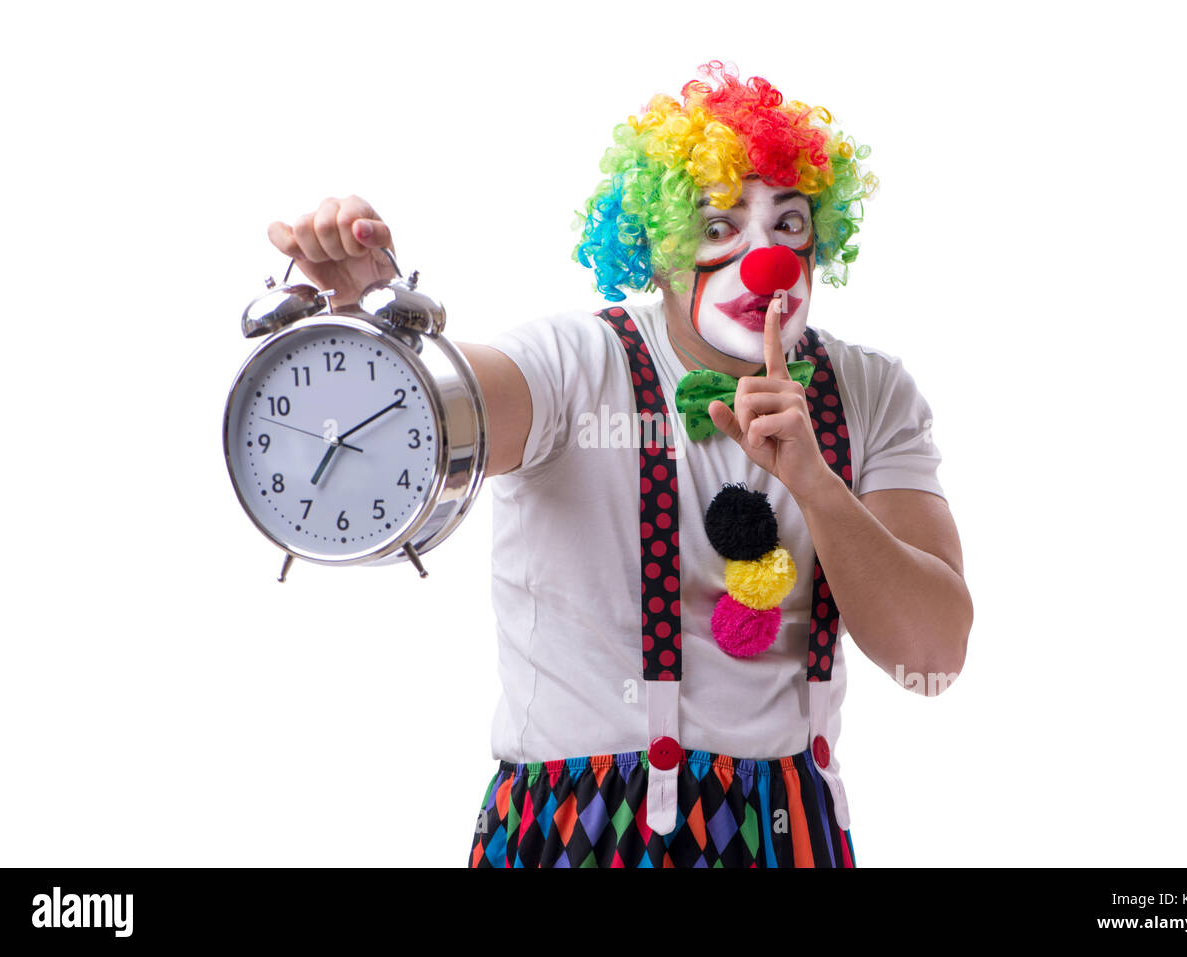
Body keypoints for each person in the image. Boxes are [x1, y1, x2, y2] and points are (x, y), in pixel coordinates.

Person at [268, 61, 973, 868]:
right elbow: (441, 412)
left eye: (789, 223)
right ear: (659, 250)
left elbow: (932, 655)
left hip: (789, 828)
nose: (768, 258)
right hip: (574, 825)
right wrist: (375, 328)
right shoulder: (574, 362)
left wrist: (817, 485)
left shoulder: (870, 391)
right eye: (718, 228)